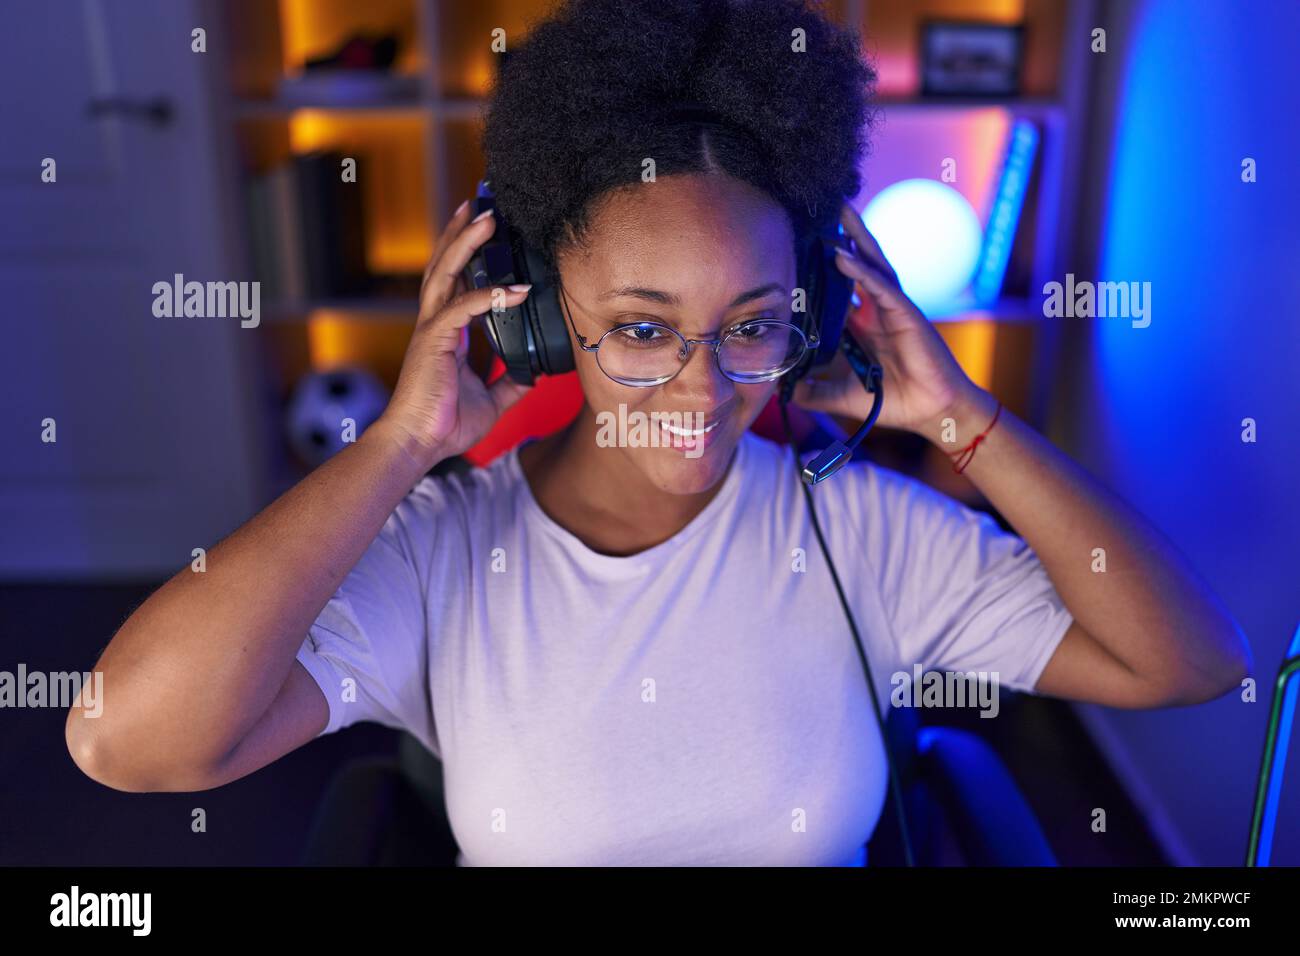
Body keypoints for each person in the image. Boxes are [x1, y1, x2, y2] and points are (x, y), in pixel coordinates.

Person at [65, 0, 1251, 866]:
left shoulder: (859, 529)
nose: (703, 383)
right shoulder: (440, 555)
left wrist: (958, 414)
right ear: (533, 321)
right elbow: (127, 742)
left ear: (815, 318)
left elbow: (1195, 661)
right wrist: (396, 447)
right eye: (639, 327)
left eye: (752, 323)